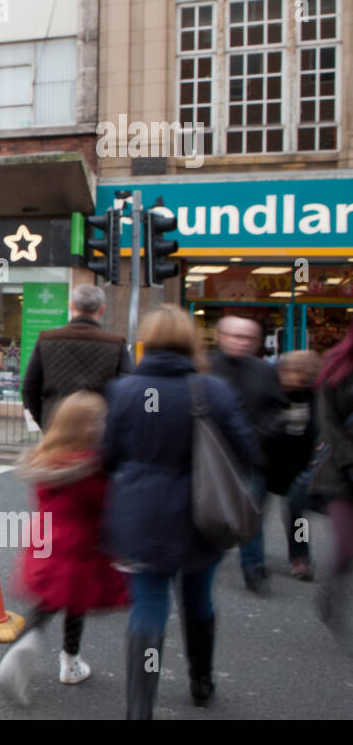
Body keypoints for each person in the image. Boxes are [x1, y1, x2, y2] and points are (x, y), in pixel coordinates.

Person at [102, 306, 258, 719]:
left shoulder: (123, 391)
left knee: (149, 608)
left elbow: (107, 456)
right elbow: (247, 453)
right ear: (192, 341)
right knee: (198, 599)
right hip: (200, 515)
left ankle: (140, 707)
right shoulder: (212, 390)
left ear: (148, 341)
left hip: (140, 516)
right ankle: (201, 680)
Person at [0, 391, 129, 705]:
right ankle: (66, 659)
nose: (104, 424)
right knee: (74, 601)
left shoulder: (48, 458)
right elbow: (106, 505)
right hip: (78, 546)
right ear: (85, 427)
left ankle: (31, 650)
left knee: (50, 604)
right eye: (99, 420)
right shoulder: (91, 468)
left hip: (46, 540)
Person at [210, 316, 289, 593]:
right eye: (235, 336)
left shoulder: (265, 371)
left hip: (253, 454)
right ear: (220, 336)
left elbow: (279, 408)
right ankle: (200, 562)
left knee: (250, 515)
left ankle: (253, 567)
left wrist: (265, 430)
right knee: (206, 511)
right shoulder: (207, 367)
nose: (241, 342)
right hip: (213, 455)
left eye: (248, 338)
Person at [21, 284, 133, 431]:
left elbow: (29, 388)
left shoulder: (46, 340)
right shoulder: (116, 344)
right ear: (101, 309)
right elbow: (127, 392)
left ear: (71, 306)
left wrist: (45, 422)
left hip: (56, 425)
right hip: (97, 429)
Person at [311, 322, 353, 645]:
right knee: (345, 549)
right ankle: (329, 591)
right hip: (343, 473)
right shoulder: (336, 368)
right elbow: (328, 425)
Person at [270, 350, 322, 580]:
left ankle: (300, 558)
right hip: (272, 463)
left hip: (303, 466)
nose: (286, 375)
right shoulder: (275, 392)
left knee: (296, 513)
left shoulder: (317, 396)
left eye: (292, 371)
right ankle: (252, 561)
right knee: (255, 513)